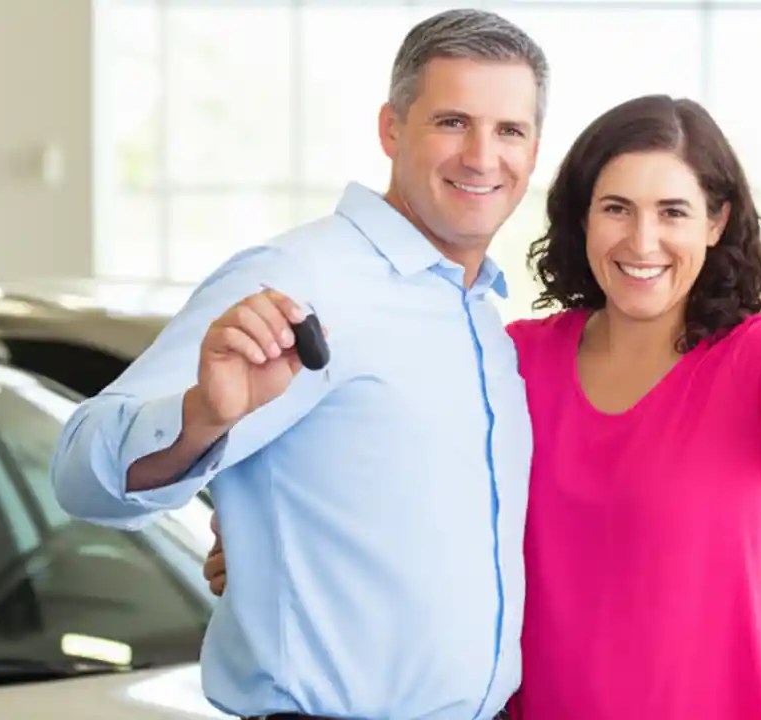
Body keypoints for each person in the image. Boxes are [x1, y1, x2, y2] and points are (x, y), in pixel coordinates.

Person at [205, 94, 761, 718]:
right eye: (617, 208)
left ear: (716, 222)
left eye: (672, 211)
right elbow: (398, 476)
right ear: (583, 218)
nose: (642, 241)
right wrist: (276, 537)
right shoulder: (514, 359)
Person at [50, 8, 548, 720]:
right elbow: (79, 473)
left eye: (509, 131)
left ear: (534, 150)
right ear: (391, 128)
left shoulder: (480, 318)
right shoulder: (300, 276)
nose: (482, 156)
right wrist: (201, 417)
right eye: (452, 122)